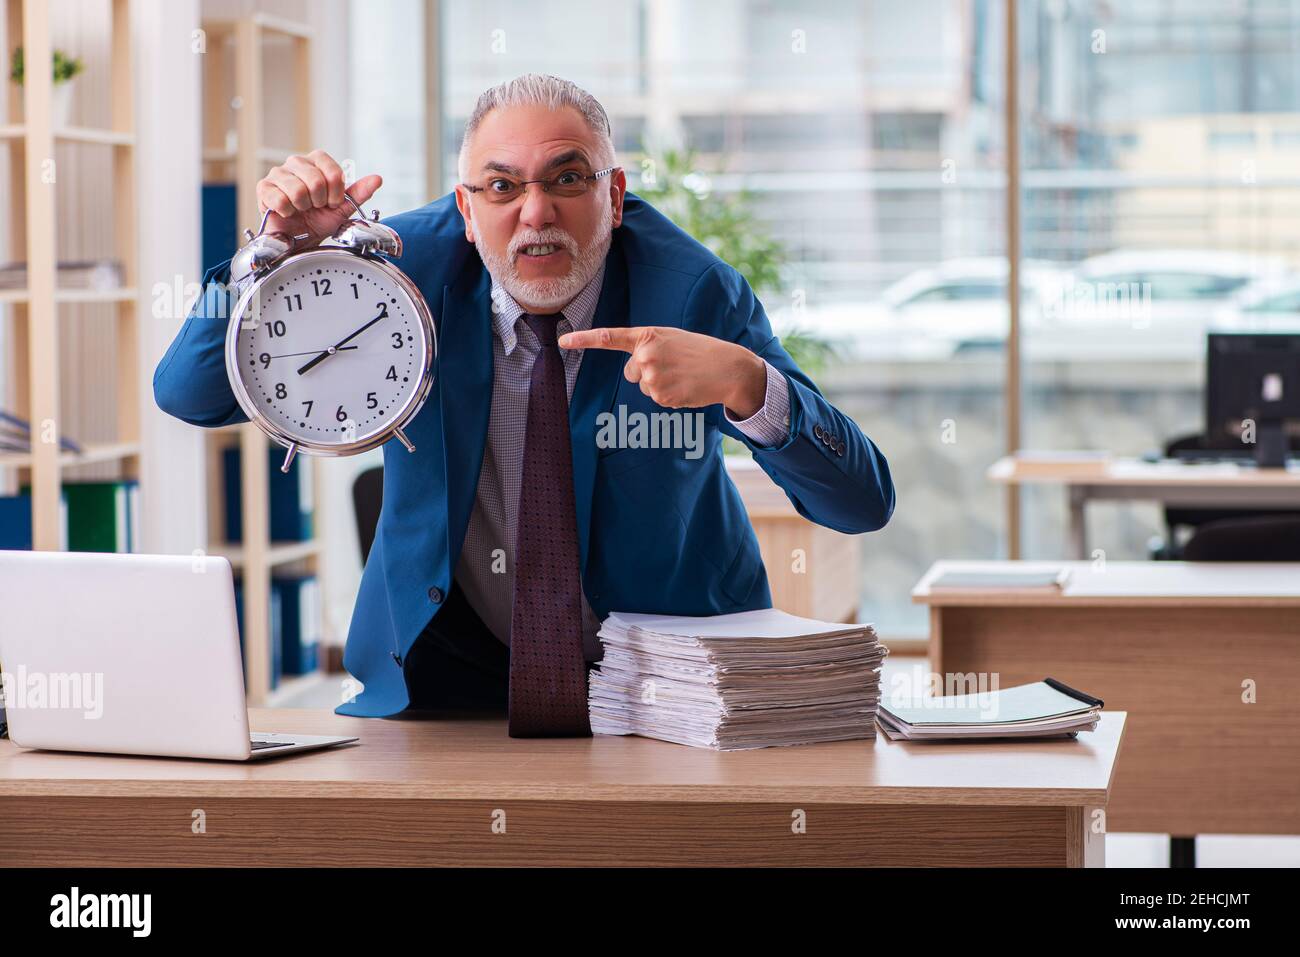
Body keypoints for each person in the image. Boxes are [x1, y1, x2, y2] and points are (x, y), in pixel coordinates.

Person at [153, 73, 894, 736]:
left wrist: (749, 383)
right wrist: (269, 259)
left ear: (613, 194)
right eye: (502, 186)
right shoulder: (399, 274)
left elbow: (861, 502)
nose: (535, 213)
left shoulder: (694, 290)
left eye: (567, 178)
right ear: (467, 211)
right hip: (444, 678)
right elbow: (188, 394)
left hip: (669, 693)